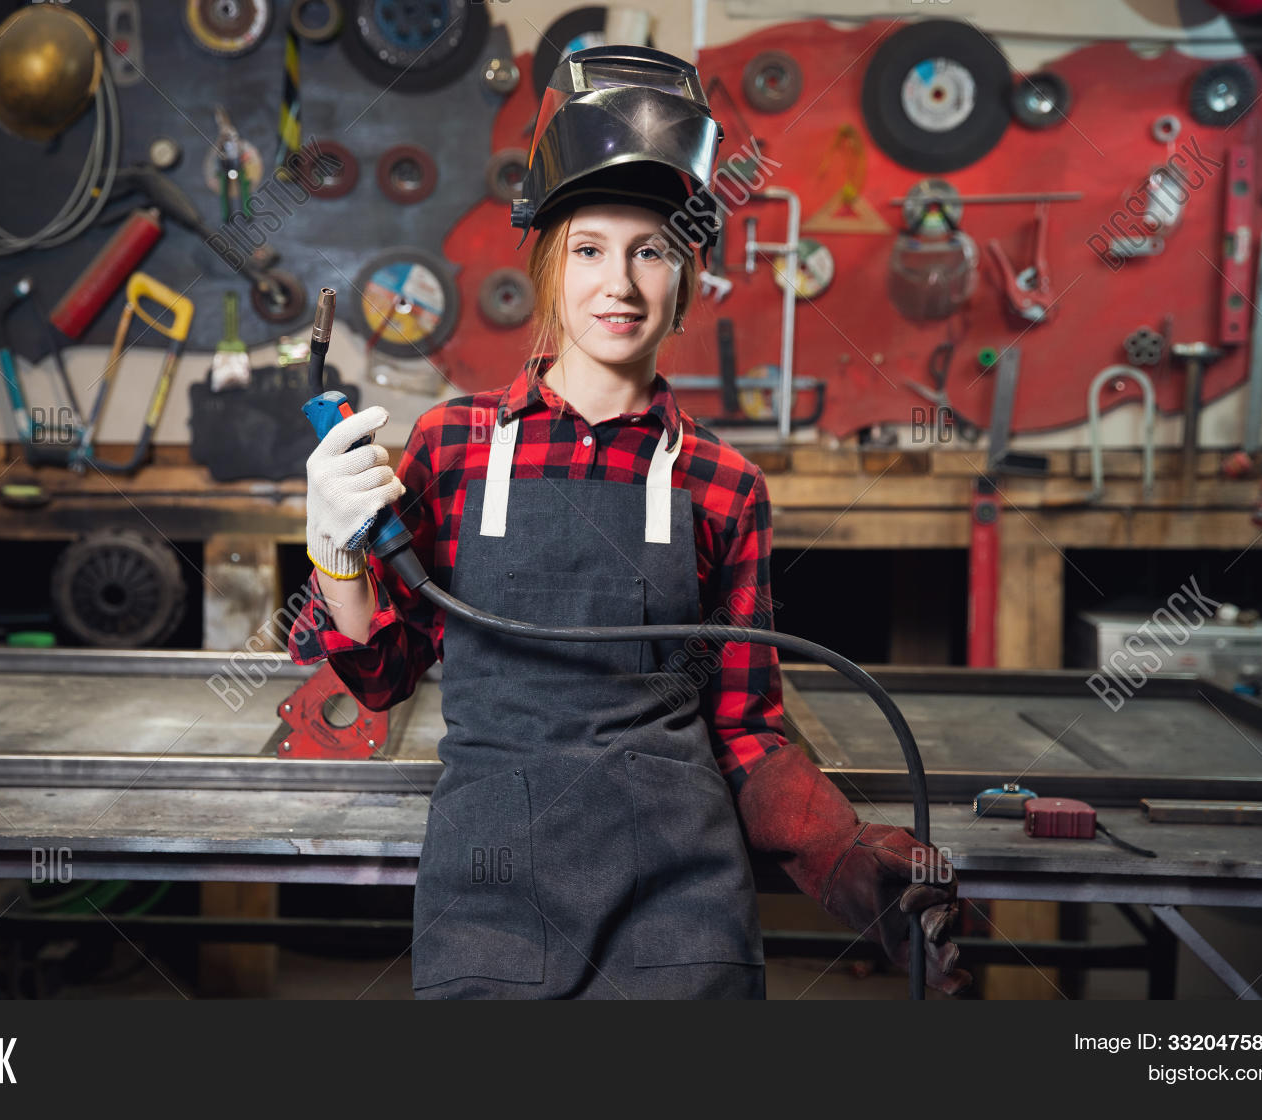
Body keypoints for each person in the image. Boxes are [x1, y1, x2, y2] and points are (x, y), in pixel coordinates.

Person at [289, 45, 969, 1000]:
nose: (620, 283)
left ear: (686, 275)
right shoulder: (454, 445)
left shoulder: (723, 482)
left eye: (651, 249)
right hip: (491, 888)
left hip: (678, 900)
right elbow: (384, 673)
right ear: (544, 264)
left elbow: (744, 727)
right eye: (590, 249)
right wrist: (336, 560)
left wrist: (842, 854)